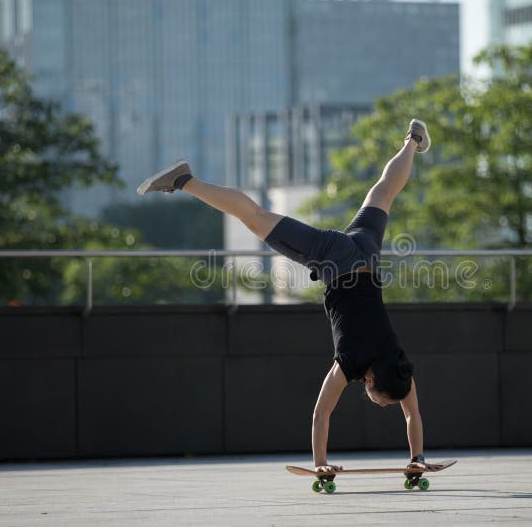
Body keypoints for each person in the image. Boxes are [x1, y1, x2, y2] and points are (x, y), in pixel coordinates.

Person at [137, 119, 433, 474]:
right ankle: (184, 180)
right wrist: (320, 465)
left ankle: (413, 139)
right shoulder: (352, 362)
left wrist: (418, 458)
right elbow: (321, 413)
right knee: (255, 217)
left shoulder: (397, 362)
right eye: (383, 401)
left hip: (366, 254)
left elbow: (412, 413)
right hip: (334, 257)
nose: (383, 405)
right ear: (370, 381)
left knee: (382, 193)